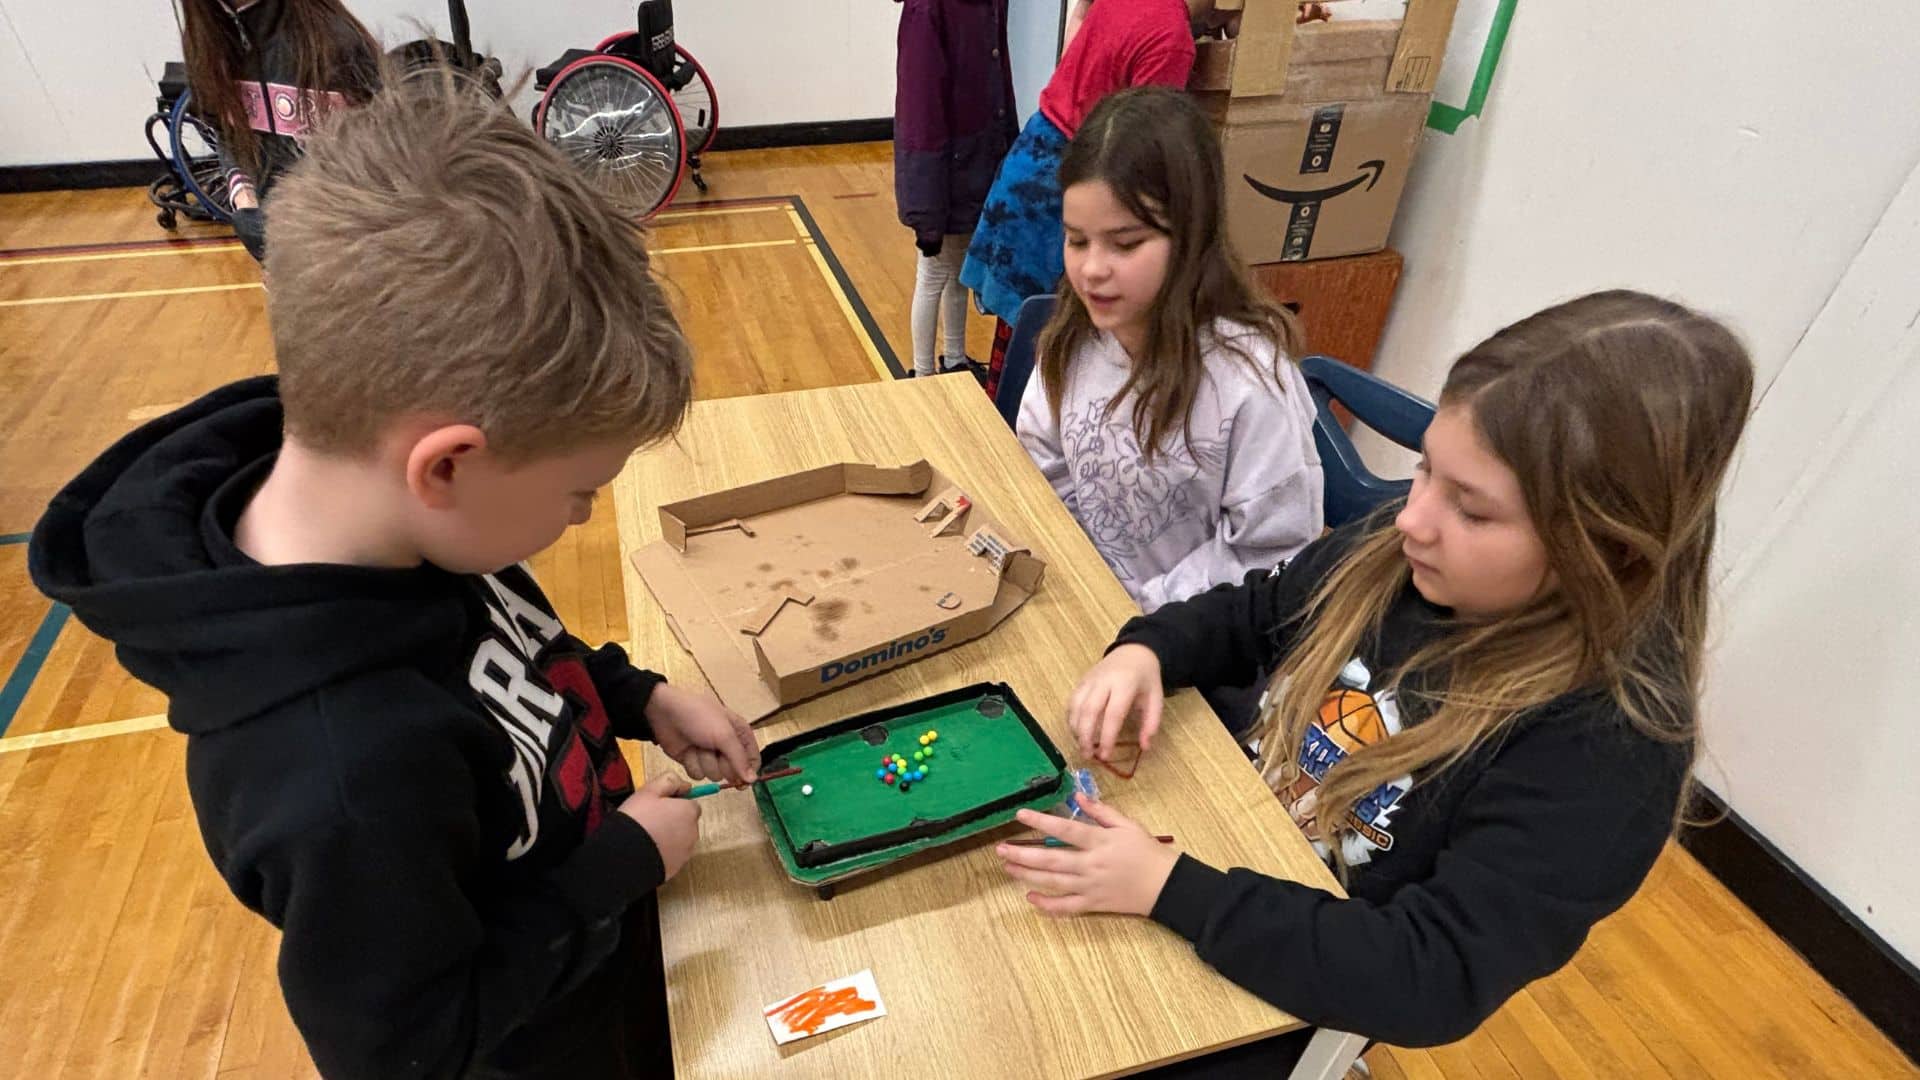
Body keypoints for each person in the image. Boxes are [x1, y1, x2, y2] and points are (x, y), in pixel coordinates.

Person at [30, 66, 756, 1079]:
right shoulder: (340, 775)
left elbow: (508, 655)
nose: (582, 516)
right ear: (446, 466)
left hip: (605, 952)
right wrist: (617, 871)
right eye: (580, 490)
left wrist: (638, 696)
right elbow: (408, 1048)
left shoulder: (394, 522)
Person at [999, 291, 1756, 1073]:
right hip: (1210, 858)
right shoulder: (1397, 560)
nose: (1411, 518)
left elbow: (1425, 975)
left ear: (1607, 547)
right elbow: (1253, 614)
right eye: (1425, 469)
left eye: (1473, 511)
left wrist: (1172, 890)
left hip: (1285, 995)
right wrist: (1147, 652)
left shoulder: (1608, 745)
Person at [1017, 88, 1321, 614]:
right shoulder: (1075, 337)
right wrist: (1080, 576)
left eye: (1126, 243)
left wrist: (1143, 611)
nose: (1092, 270)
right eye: (1077, 240)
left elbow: (1271, 552)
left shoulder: (1248, 382)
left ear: (1191, 237)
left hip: (1190, 634)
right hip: (1085, 603)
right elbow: (1042, 461)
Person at [961, 0, 1224, 388]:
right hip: (1073, 189)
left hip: (1030, 162)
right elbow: (1145, 153)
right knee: (1053, 352)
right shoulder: (1172, 40)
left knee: (1018, 341)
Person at [179, 0, 380, 260]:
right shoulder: (207, 46)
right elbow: (227, 132)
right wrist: (243, 196)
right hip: (279, 247)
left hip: (350, 244)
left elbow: (382, 154)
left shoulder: (337, 42)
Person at [893, 0, 1017, 380]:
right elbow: (921, 111)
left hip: (977, 159)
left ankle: (955, 358)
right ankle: (923, 374)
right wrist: (926, 202)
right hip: (944, 170)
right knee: (933, 271)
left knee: (961, 266)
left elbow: (1001, 82)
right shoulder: (927, 9)